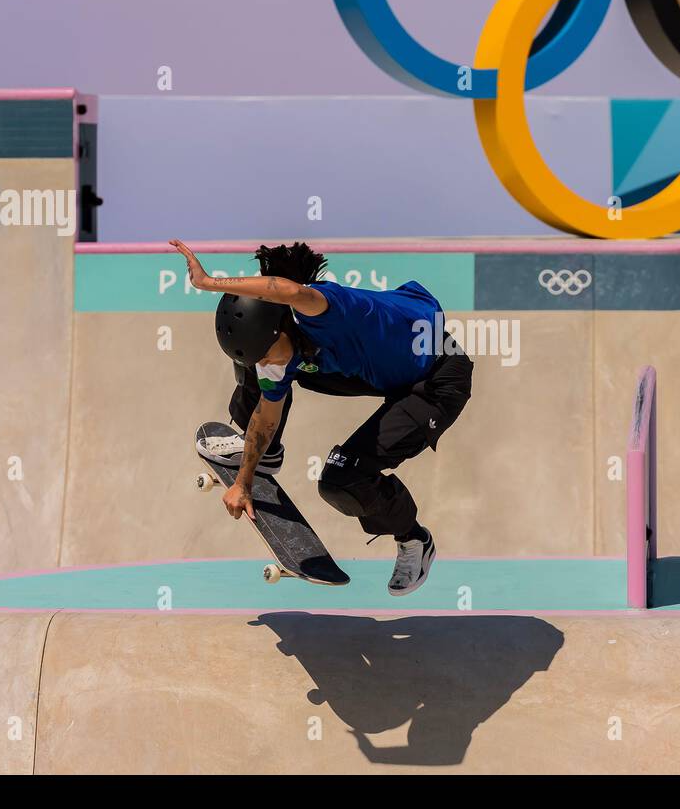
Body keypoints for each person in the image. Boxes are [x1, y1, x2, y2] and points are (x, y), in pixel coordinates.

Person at [170, 239, 472, 596]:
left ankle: (414, 538)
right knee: (260, 372)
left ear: (281, 325)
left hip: (435, 377)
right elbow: (265, 417)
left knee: (341, 480)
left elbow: (287, 289)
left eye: (270, 351)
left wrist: (208, 283)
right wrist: (245, 481)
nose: (270, 362)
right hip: (378, 367)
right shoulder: (277, 350)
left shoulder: (321, 308)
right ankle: (269, 455)